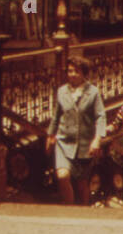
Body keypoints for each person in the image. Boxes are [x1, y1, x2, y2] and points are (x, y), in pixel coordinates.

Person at [45, 57, 107, 206]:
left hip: (84, 145)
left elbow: (100, 116)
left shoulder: (93, 92)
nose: (72, 74)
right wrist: (50, 135)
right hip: (63, 141)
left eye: (76, 71)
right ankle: (70, 210)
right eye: (70, 71)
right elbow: (56, 115)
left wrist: (97, 139)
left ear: (83, 73)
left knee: (81, 183)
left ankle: (84, 212)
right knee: (62, 175)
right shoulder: (61, 91)